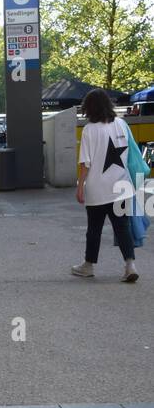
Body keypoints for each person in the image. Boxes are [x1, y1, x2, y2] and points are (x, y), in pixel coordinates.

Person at [72, 89, 138, 282]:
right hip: (122, 186)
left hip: (97, 189)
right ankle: (130, 265)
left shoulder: (89, 130)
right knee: (122, 228)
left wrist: (80, 187)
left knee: (94, 229)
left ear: (89, 107)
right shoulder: (122, 124)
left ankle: (88, 265)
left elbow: (85, 164)